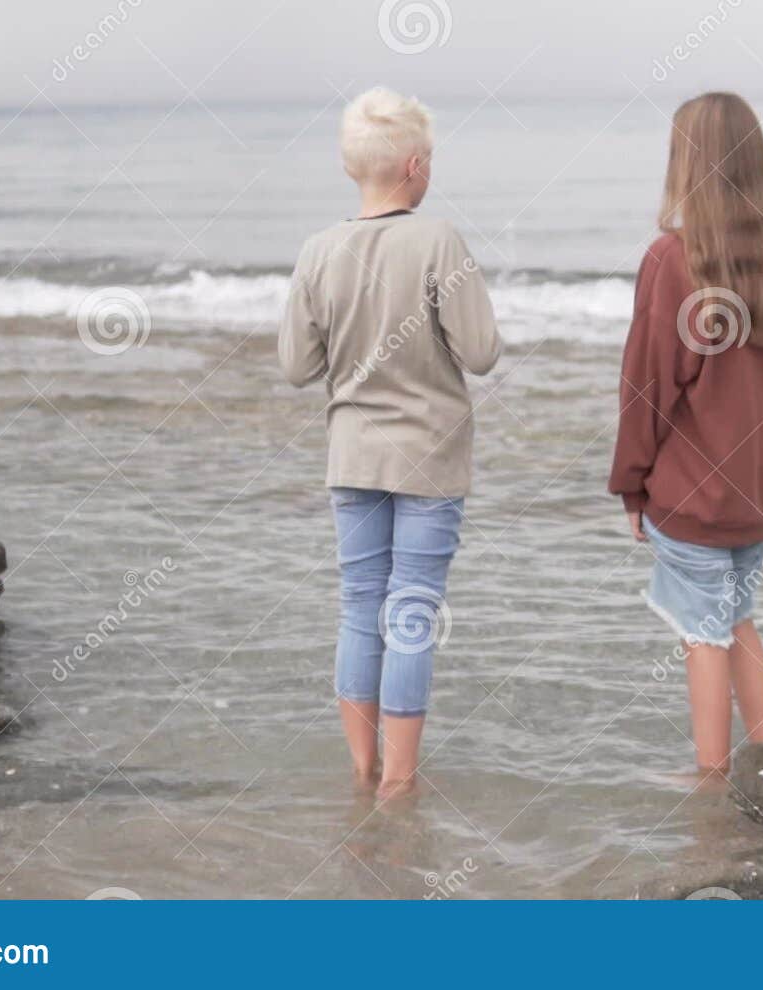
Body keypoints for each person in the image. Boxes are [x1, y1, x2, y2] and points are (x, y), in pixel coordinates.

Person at [279, 86, 502, 799]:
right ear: (413, 165)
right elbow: (482, 352)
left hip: (353, 456)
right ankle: (401, 781)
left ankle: (362, 769)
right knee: (411, 608)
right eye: (428, 158)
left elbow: (296, 366)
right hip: (430, 455)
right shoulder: (439, 240)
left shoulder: (318, 250)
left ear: (354, 169)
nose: (429, 168)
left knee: (358, 604)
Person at [609, 92, 763, 776]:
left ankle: (712, 786)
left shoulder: (675, 258)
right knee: (737, 621)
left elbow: (647, 386)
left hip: (697, 494)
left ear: (685, 163)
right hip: (760, 493)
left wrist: (631, 486)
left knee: (704, 635)